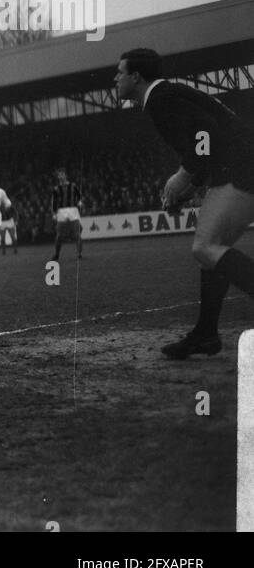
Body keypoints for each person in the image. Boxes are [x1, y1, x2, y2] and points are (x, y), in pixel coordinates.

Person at [114, 47, 254, 359]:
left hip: (243, 169)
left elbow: (207, 133)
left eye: (120, 72)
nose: (116, 79)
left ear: (136, 76)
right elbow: (206, 139)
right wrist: (189, 184)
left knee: (204, 248)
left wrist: (183, 176)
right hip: (240, 166)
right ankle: (205, 335)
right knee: (211, 251)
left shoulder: (161, 100)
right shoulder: (166, 95)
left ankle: (205, 334)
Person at [49, 168, 84, 262]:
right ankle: (56, 254)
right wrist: (54, 213)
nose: (60, 176)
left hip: (73, 210)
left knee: (77, 233)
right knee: (59, 235)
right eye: (59, 175)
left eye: (62, 174)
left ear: (65, 175)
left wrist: (80, 202)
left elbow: (80, 196)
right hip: (61, 211)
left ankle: (79, 254)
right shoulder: (56, 189)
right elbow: (54, 202)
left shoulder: (73, 186)